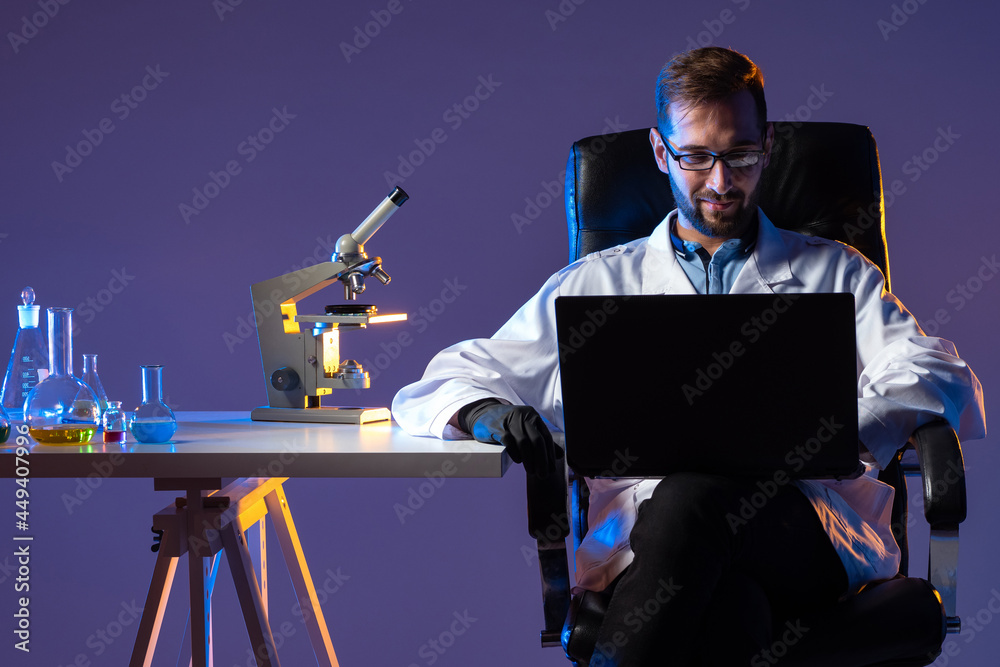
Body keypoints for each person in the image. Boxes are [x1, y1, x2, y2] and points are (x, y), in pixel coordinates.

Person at [391, 47, 986, 665]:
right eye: (696, 157)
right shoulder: (596, 286)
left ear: (769, 144)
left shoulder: (833, 272)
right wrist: (486, 411)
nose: (721, 182)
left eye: (740, 155)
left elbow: (938, 371)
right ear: (659, 152)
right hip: (656, 542)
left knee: (690, 501)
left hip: (803, 529)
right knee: (731, 611)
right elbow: (446, 378)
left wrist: (836, 431)